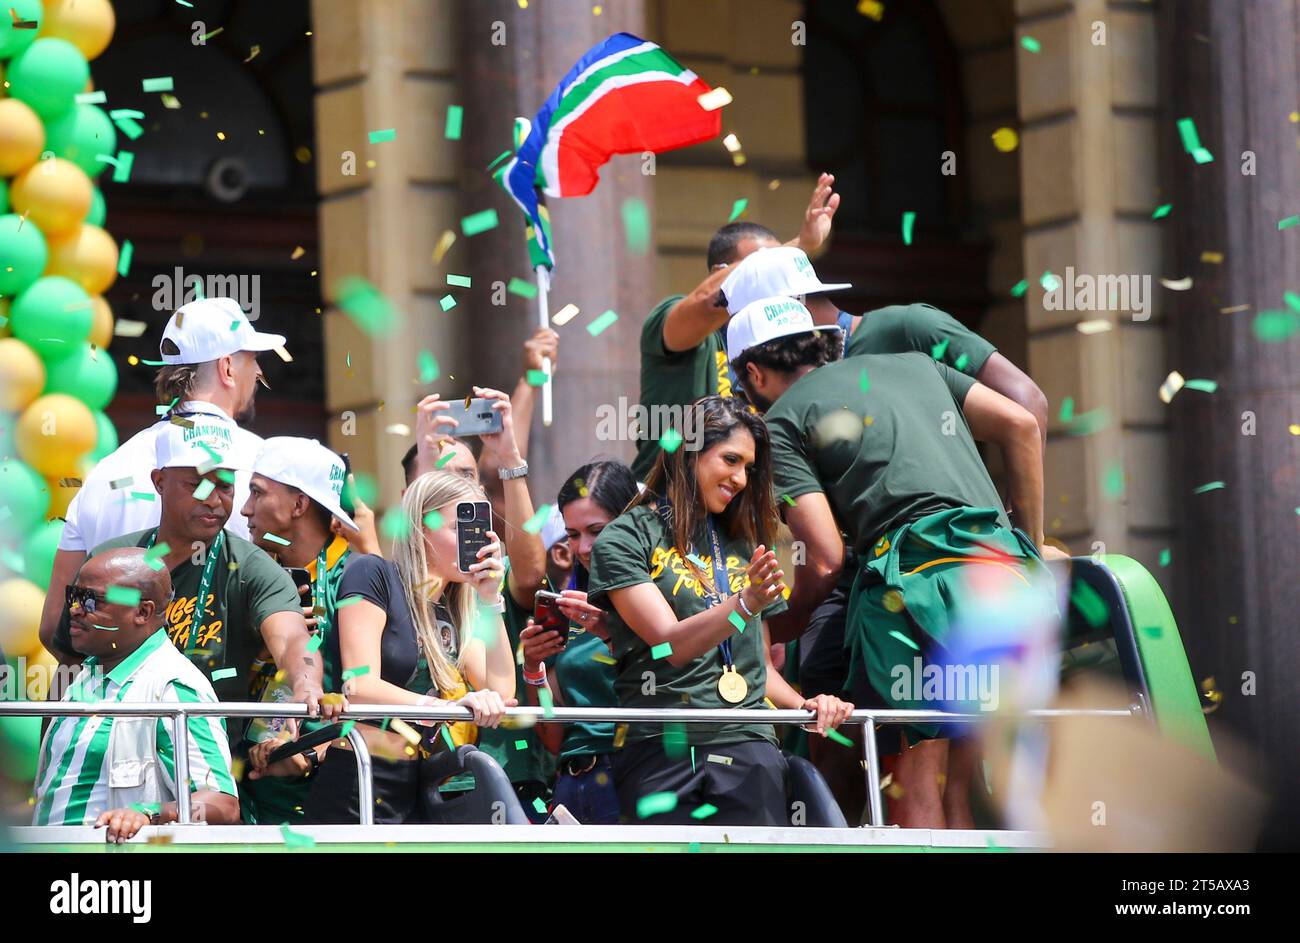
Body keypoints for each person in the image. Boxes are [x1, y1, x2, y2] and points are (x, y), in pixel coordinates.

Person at [720, 244, 1050, 820]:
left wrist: (768, 627)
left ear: (752, 373)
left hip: (912, 593)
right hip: (1005, 583)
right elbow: (1023, 424)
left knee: (911, 784)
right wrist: (1029, 546)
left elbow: (823, 560)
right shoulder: (916, 364)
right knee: (966, 789)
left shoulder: (782, 422)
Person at [587, 396, 852, 826]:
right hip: (663, 746)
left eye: (748, 467)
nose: (741, 478)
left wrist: (808, 706)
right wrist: (744, 603)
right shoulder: (625, 538)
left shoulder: (744, 543)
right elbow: (669, 646)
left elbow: (758, 668)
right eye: (730, 460)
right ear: (690, 451)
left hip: (749, 746)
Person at [45, 415, 337, 745]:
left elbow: (292, 639)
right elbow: (70, 663)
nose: (213, 499)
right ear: (159, 482)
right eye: (196, 485)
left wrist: (306, 682)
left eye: (225, 486)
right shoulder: (106, 560)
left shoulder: (251, 569)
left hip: (205, 764)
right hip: (108, 750)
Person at [39, 297, 281, 664]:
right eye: (253, 359)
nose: (258, 373)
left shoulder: (106, 469)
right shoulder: (263, 466)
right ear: (227, 367)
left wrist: (115, 692)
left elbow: (53, 628)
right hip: (215, 715)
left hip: (109, 709)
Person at [305, 471, 517, 824]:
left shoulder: (456, 606)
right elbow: (358, 686)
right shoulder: (373, 574)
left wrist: (491, 598)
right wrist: (441, 707)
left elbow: (500, 689)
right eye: (459, 529)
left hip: (417, 785)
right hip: (359, 781)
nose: (475, 542)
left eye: (480, 531)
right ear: (421, 527)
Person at [401, 384, 557, 819]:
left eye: (469, 479)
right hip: (405, 779)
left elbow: (528, 575)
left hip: (498, 771)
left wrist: (509, 459)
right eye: (440, 479)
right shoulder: (387, 580)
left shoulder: (486, 577)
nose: (461, 495)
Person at [632, 175, 841, 480]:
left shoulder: (785, 347)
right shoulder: (683, 329)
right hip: (664, 507)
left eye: (779, 277)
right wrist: (800, 246)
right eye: (761, 269)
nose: (776, 289)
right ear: (720, 274)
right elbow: (707, 300)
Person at [31, 548, 240, 840]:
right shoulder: (87, 674)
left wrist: (149, 814)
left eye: (91, 600)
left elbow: (223, 804)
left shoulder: (174, 688)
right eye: (74, 595)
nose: (76, 609)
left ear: (143, 612)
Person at [237, 437, 374, 823]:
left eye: (257, 493)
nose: (245, 509)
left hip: (335, 805)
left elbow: (379, 704)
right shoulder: (242, 574)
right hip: (246, 795)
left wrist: (311, 754)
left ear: (299, 505)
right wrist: (260, 654)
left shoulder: (358, 580)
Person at [519, 461, 639, 825]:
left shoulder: (660, 595)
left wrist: (608, 630)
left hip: (630, 775)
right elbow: (554, 736)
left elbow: (672, 664)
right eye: (572, 534)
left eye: (596, 530)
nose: (583, 547)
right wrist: (534, 670)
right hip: (571, 785)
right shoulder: (573, 604)